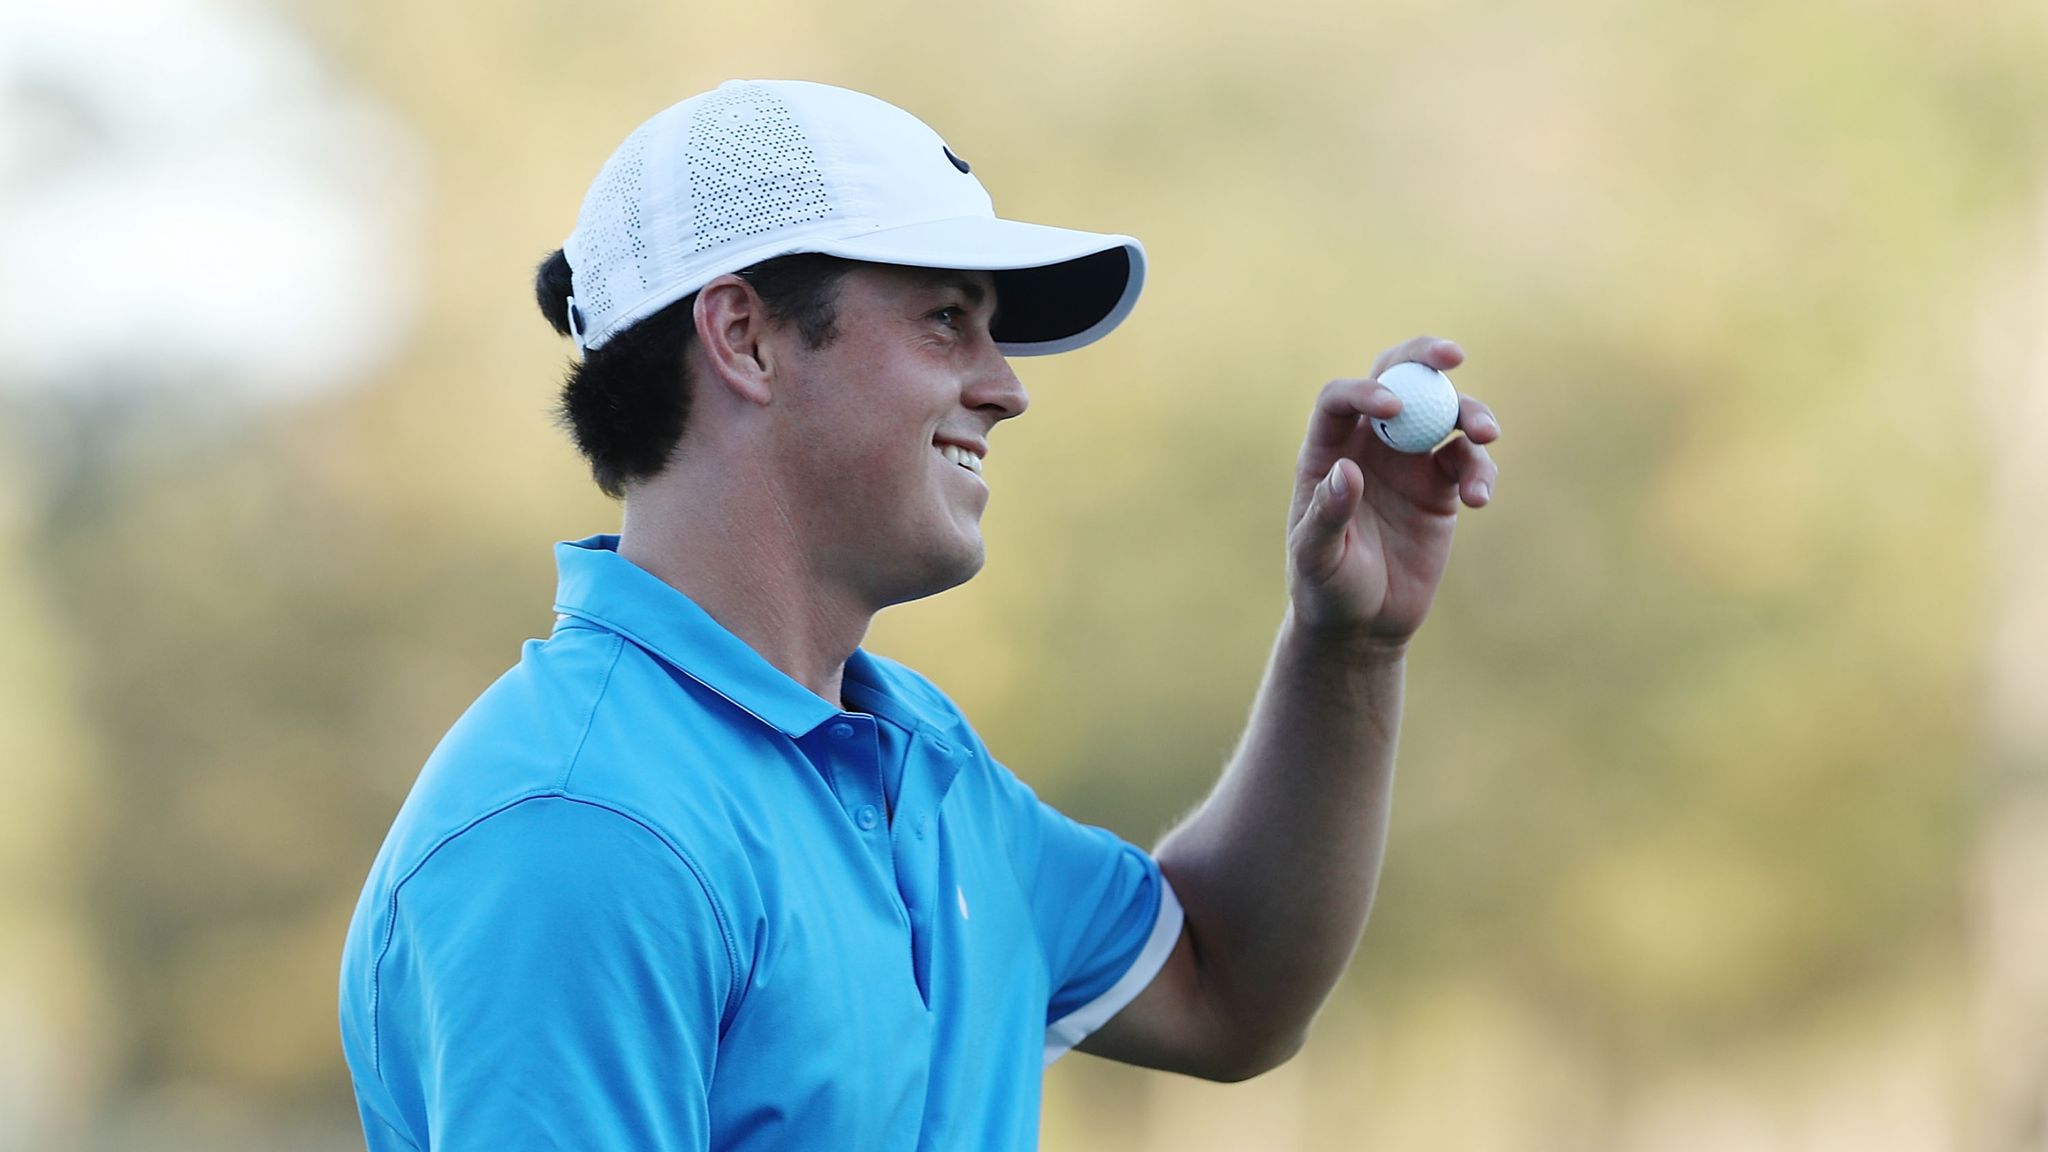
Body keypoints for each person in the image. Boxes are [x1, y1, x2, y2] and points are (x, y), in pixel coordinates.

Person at [337, 78, 1500, 1150]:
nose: (1006, 387)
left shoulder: (918, 760)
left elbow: (1224, 988)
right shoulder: (581, 826)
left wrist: (1349, 646)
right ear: (743, 337)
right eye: (946, 318)